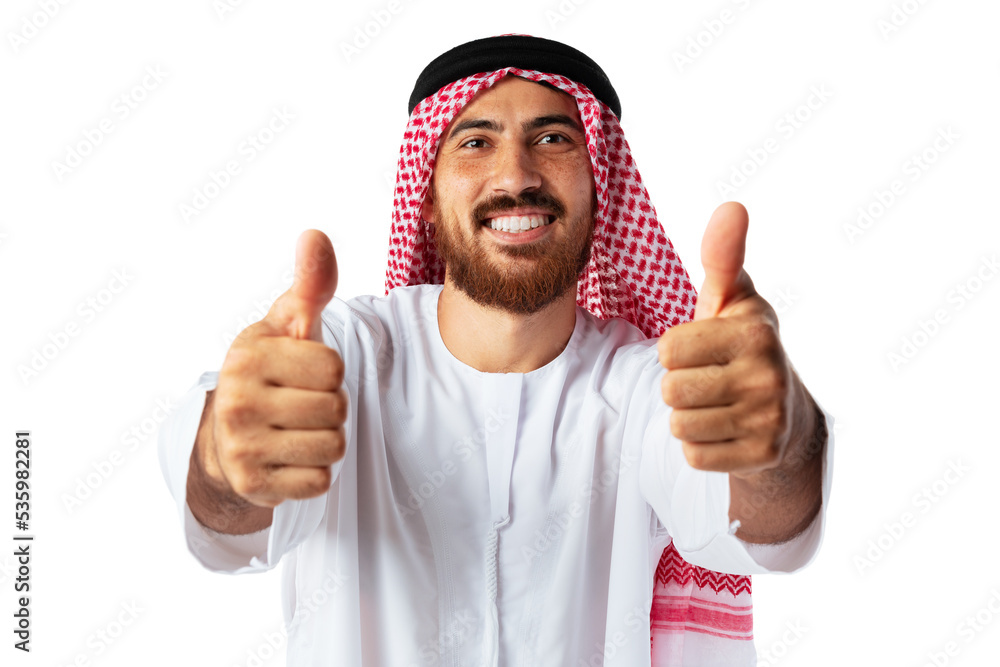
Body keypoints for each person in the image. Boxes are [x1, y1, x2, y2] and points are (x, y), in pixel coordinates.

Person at [159, 34, 833, 666]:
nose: (516, 175)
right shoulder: (346, 357)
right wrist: (226, 450)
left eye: (552, 138)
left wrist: (783, 434)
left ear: (601, 194)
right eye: (476, 141)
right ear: (425, 197)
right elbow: (229, 513)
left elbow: (758, 524)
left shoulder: (647, 384)